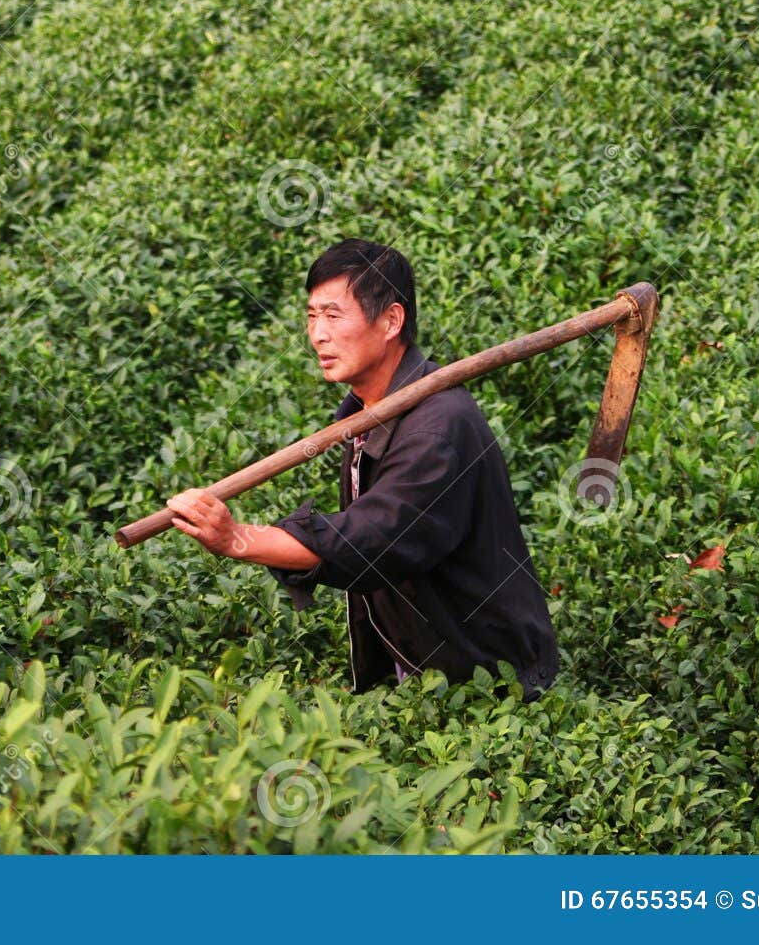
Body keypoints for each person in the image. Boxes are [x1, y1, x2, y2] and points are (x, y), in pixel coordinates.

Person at [166, 238, 559, 699]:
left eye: (333, 315)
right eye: (312, 316)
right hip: (420, 674)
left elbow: (374, 539)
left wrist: (239, 539)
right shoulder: (365, 411)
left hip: (485, 686)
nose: (317, 334)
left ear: (391, 320)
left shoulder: (436, 430)